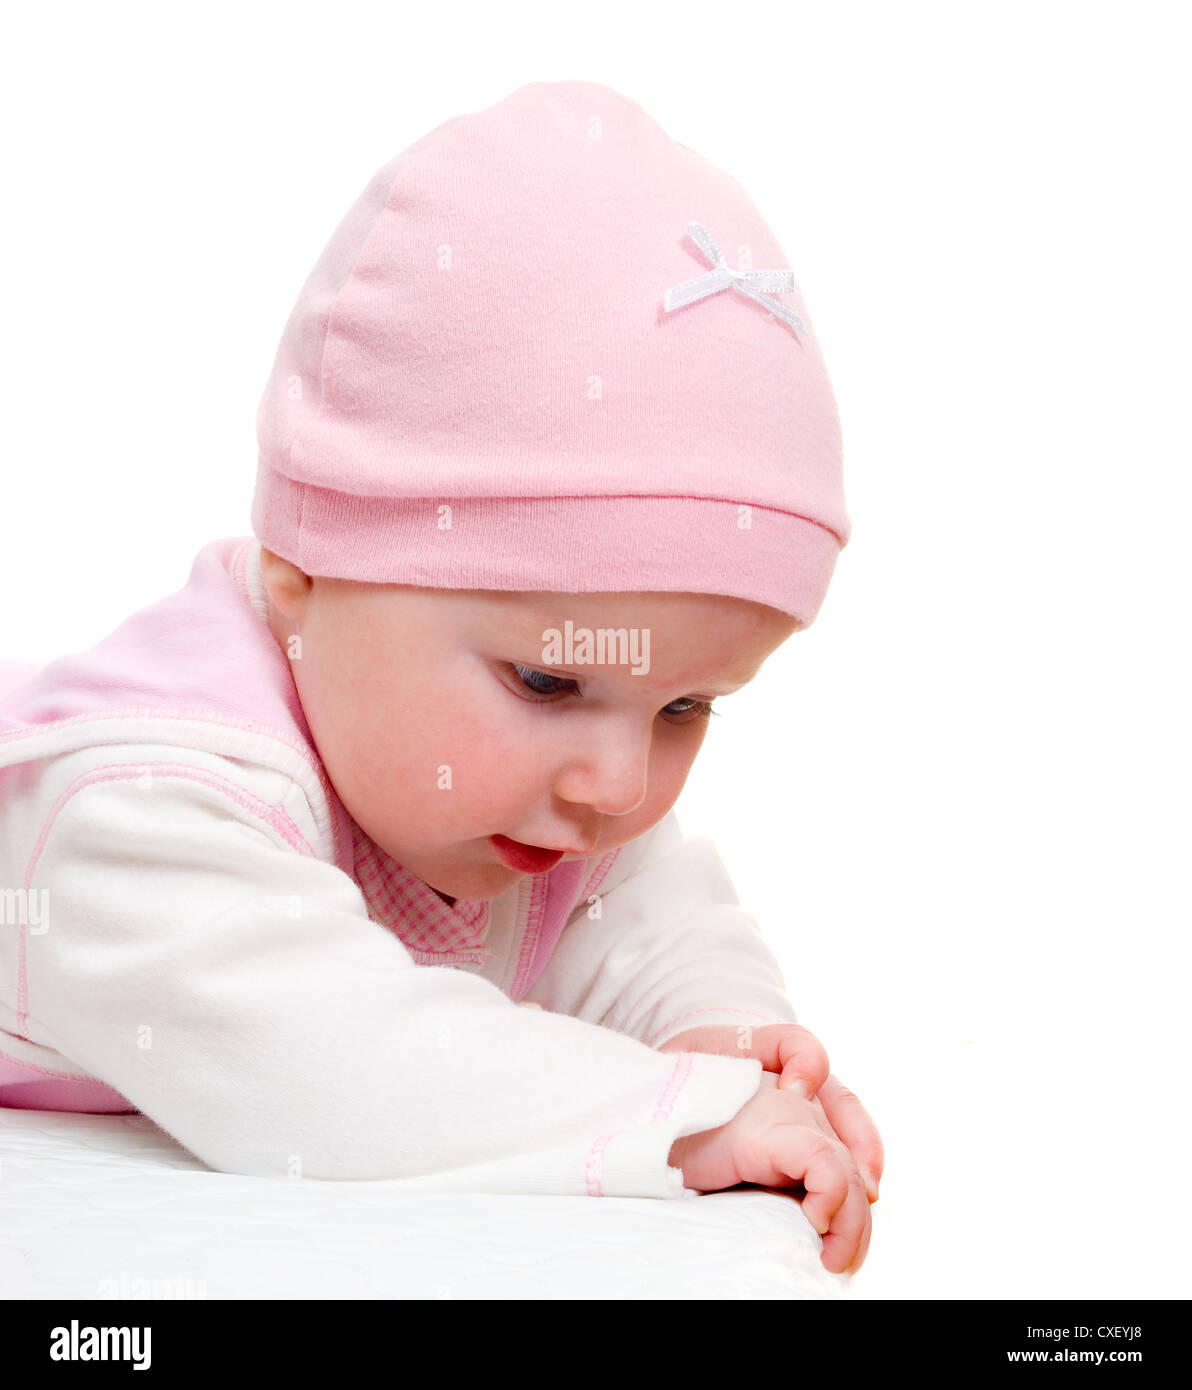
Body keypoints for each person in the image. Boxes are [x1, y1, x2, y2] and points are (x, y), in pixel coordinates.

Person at [0, 80, 882, 1277]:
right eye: (547, 681)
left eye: (685, 704)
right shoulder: (140, 805)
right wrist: (682, 1114)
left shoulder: (537, 801)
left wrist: (730, 1042)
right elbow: (329, 1066)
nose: (618, 786)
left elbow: (660, 920)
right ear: (305, 571)